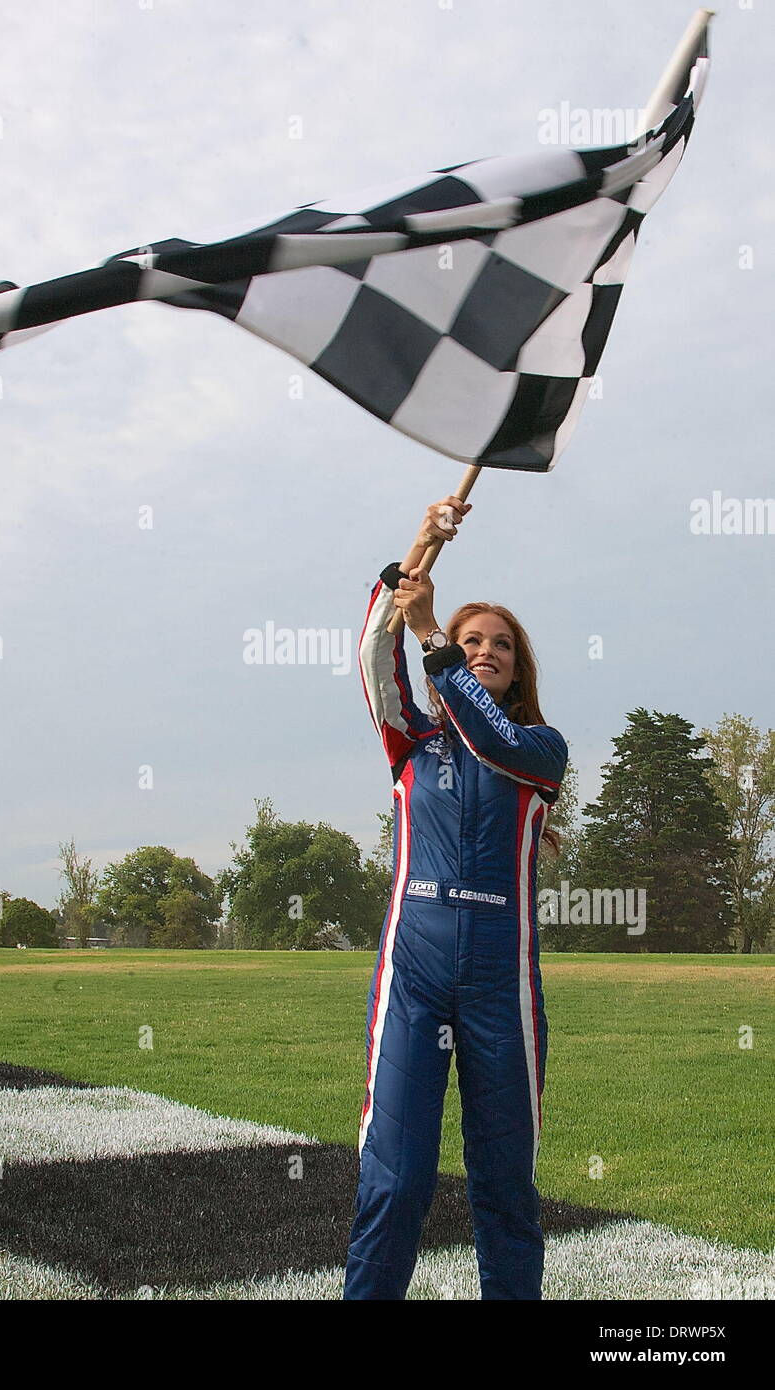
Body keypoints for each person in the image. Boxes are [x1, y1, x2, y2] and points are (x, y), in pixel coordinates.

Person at [343, 495, 568, 1301]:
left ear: (518, 667)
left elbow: (492, 737)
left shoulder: (539, 751)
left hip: (501, 994)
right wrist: (419, 545)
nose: (485, 650)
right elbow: (376, 656)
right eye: (474, 640)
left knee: (505, 1191)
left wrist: (437, 633)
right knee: (395, 1183)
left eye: (500, 644)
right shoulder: (412, 738)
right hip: (414, 979)